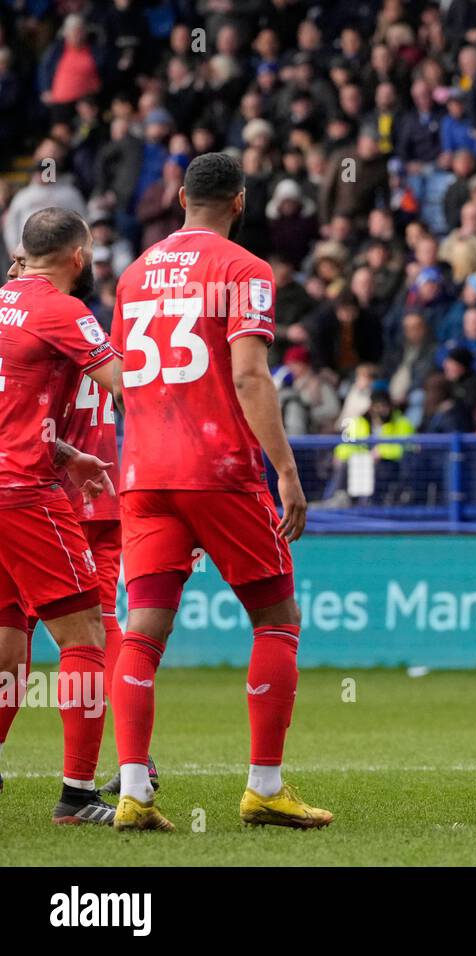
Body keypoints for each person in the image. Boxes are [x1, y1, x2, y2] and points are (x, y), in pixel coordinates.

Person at [110, 152, 331, 831]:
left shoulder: (134, 273)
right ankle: (264, 786)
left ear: (181, 198)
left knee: (143, 630)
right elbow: (249, 378)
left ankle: (132, 793)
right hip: (221, 470)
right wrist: (287, 471)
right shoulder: (245, 270)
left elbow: (119, 377)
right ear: (240, 202)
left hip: (145, 473)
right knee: (276, 618)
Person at [5, 243, 159, 798]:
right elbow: (125, 386)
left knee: (18, 628)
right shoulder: (80, 326)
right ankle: (111, 769)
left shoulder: (32, 323)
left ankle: (122, 759)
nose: (13, 270)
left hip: (59, 482)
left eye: (20, 261)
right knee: (94, 626)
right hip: (68, 491)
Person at [0, 210, 119, 824]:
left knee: (7, 647)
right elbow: (129, 383)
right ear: (79, 256)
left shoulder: (4, 302)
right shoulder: (62, 310)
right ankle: (77, 795)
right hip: (23, 495)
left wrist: (67, 450)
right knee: (84, 639)